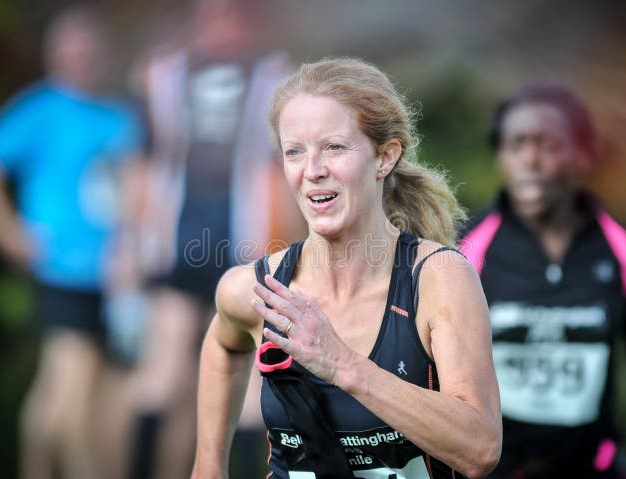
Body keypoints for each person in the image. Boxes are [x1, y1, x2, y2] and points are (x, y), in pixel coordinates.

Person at [190, 57, 503, 479]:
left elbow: (480, 449)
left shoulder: (437, 279)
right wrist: (208, 466)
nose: (313, 171)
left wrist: (343, 365)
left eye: (334, 147)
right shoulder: (256, 291)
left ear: (384, 157)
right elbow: (224, 345)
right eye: (294, 152)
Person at [458, 84, 626, 479]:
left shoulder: (625, 252)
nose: (530, 159)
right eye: (515, 144)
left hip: (594, 467)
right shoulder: (465, 249)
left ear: (585, 154)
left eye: (548, 145)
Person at [0, 6, 142, 479]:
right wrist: (7, 232)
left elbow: (138, 191)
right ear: (54, 54)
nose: (81, 56)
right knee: (70, 393)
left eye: (89, 48)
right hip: (62, 268)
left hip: (116, 277)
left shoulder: (120, 116)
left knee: (65, 397)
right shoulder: (40, 108)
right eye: (70, 47)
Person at [122, 1, 303, 478]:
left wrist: (292, 250)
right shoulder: (162, 75)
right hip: (179, 245)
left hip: (244, 245)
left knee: (246, 384)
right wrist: (128, 243)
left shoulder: (274, 76)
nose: (221, 23)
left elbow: (282, 171)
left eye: (231, 13)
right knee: (163, 375)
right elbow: (141, 164)